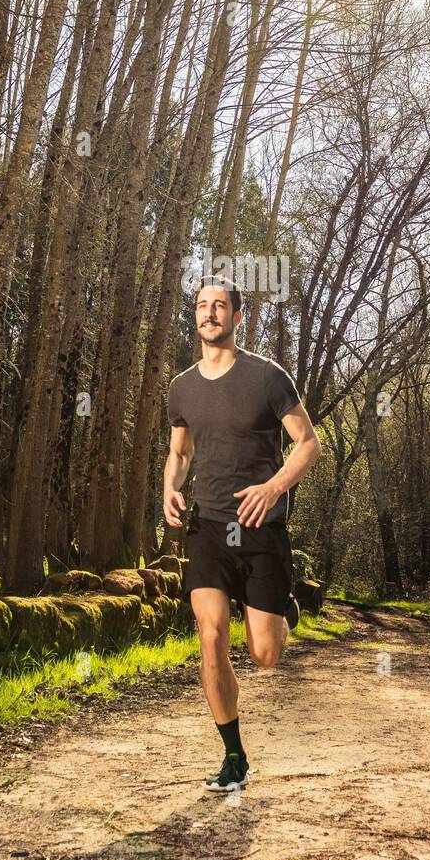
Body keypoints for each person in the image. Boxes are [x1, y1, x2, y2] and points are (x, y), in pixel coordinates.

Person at [163, 276, 322, 792]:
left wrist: (273, 489)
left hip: (260, 528)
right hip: (207, 526)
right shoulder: (181, 387)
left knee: (265, 656)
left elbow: (308, 443)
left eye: (220, 306)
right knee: (210, 635)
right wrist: (169, 487)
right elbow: (181, 452)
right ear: (196, 317)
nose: (209, 313)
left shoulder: (268, 378)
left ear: (237, 318)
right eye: (202, 306)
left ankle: (284, 602)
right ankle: (234, 758)